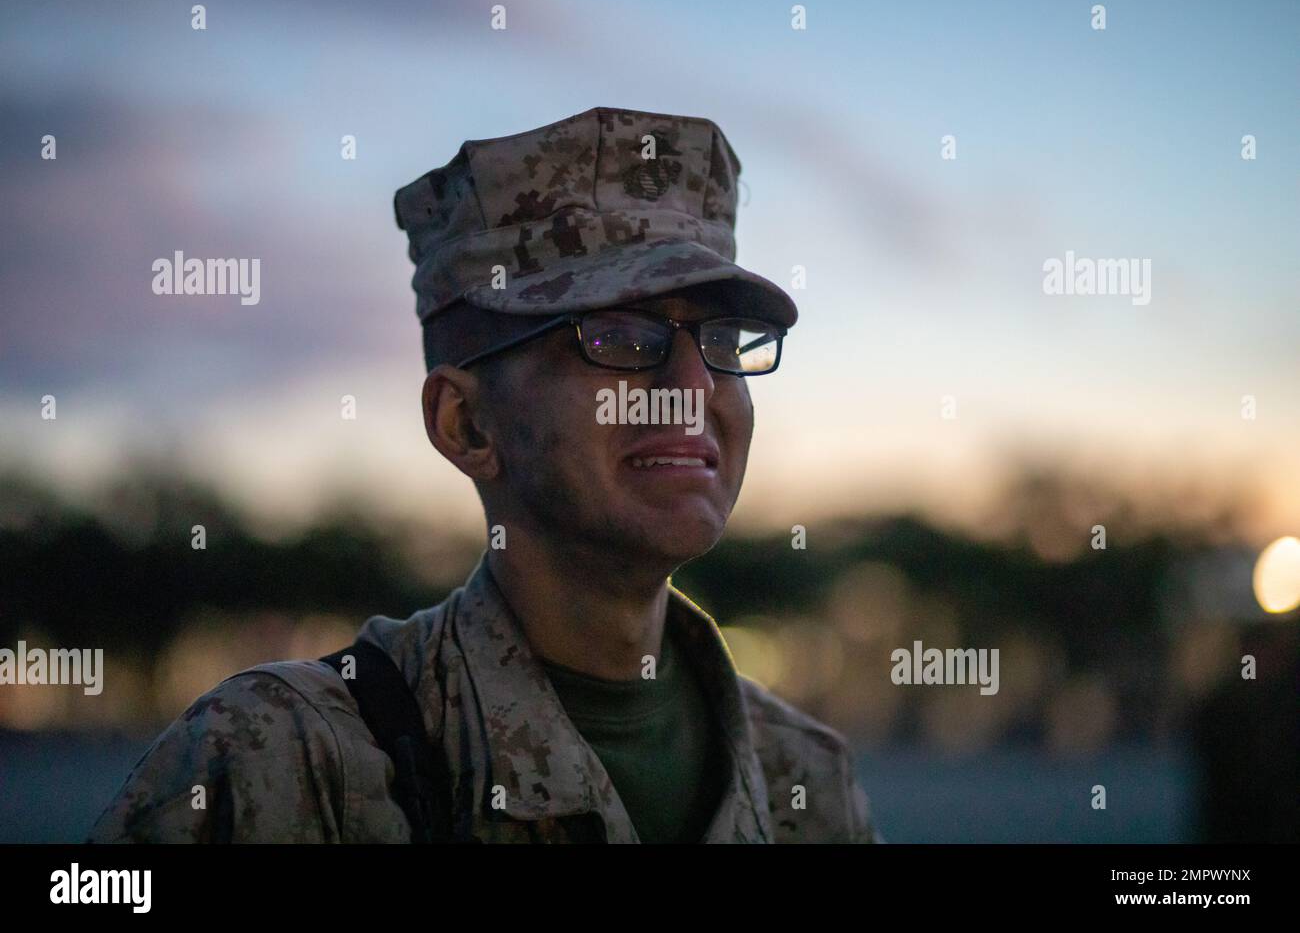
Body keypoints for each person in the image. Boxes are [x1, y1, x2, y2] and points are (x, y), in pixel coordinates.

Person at [88, 106, 880, 843]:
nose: (696, 389)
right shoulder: (285, 757)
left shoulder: (805, 777)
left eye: (722, 339)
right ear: (464, 424)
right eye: (620, 338)